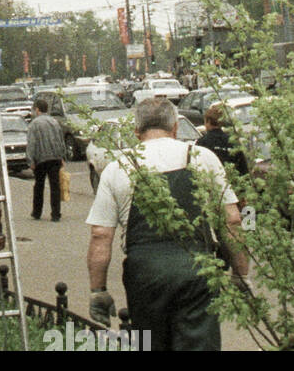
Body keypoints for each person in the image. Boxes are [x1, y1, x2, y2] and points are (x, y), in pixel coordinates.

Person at [86, 96, 247, 351]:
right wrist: (240, 273)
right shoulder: (201, 157)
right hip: (198, 271)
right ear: (174, 127)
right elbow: (233, 220)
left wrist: (98, 291)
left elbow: (100, 236)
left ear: (136, 131)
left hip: (145, 276)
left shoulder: (118, 167)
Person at [25, 96, 66, 222]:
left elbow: (31, 143)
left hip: (40, 159)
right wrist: (62, 156)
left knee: (39, 186)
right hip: (55, 158)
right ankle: (56, 214)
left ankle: (37, 212)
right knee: (55, 187)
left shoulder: (34, 124)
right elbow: (61, 140)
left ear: (37, 110)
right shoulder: (54, 122)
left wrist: (30, 160)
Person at [196, 104, 250, 178]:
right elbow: (243, 169)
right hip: (232, 183)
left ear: (208, 122)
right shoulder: (233, 142)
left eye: (205, 121)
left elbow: (197, 167)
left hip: (211, 183)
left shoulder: (202, 142)